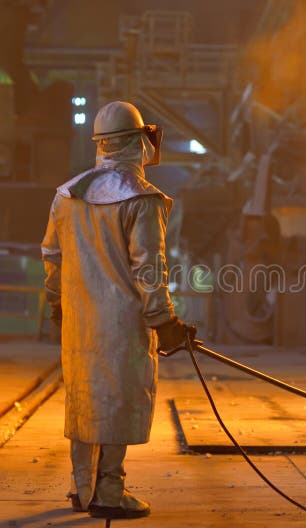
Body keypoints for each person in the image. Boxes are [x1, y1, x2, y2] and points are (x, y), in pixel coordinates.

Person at [41, 101, 194, 519]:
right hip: (123, 323)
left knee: (85, 398)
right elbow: (150, 269)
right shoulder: (142, 200)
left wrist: (57, 304)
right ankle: (108, 490)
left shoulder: (66, 195)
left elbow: (51, 255)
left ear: (102, 144)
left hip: (80, 322)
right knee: (118, 400)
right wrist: (164, 321)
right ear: (138, 142)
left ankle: (81, 487)